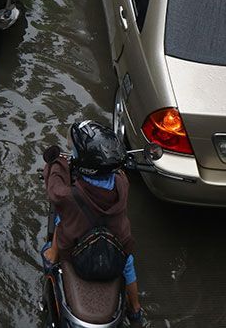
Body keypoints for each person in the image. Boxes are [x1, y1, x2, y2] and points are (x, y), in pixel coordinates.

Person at [41, 120, 144, 324]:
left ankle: (50, 266)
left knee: (60, 226)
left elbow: (54, 189)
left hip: (75, 251)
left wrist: (57, 164)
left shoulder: (67, 196)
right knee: (129, 265)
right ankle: (136, 309)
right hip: (118, 246)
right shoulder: (122, 183)